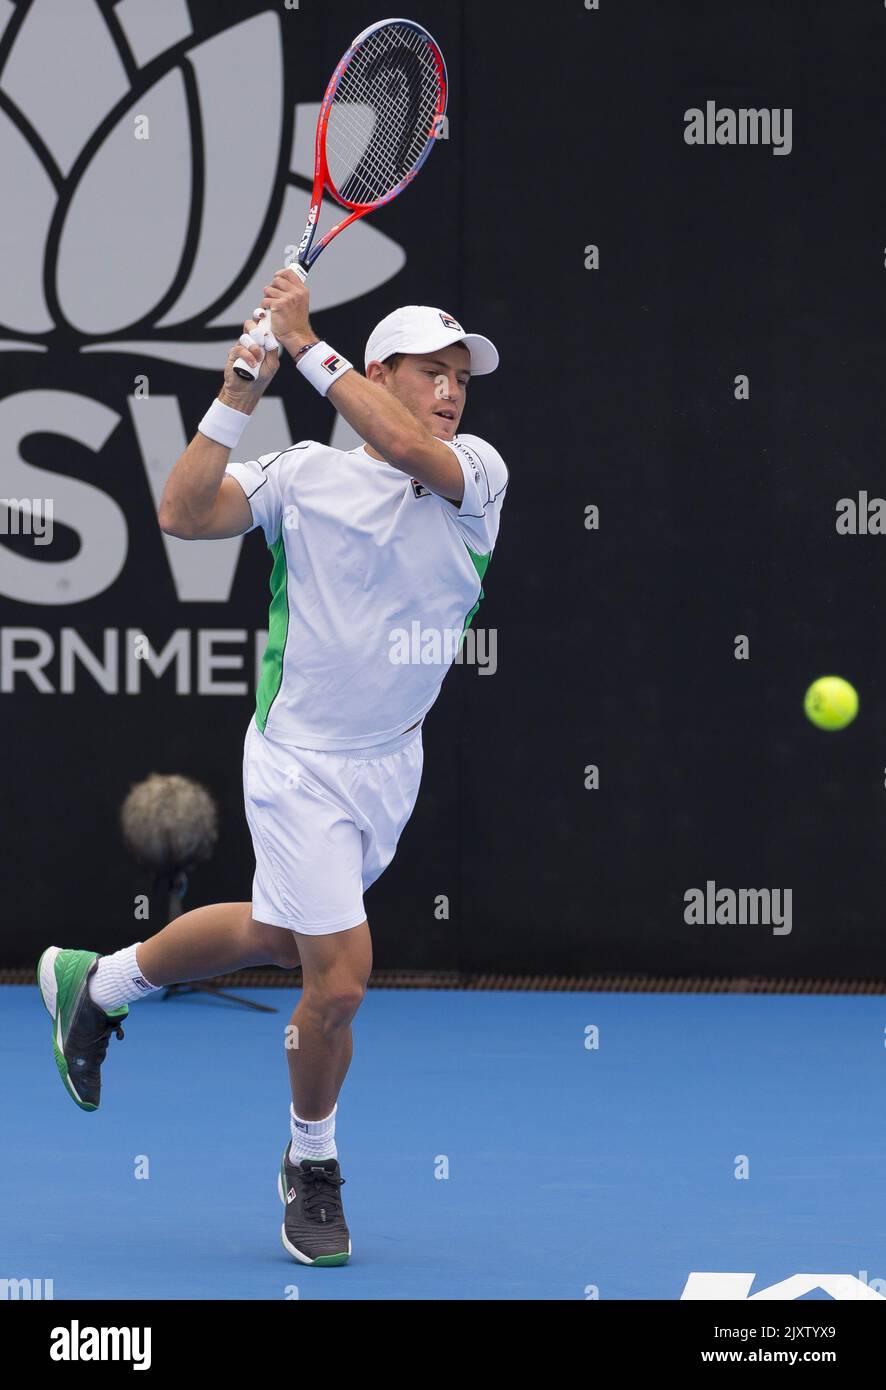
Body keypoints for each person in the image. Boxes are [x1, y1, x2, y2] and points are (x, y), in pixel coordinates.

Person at [37, 268, 508, 1267]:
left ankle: (101, 982)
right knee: (339, 980)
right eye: (432, 370)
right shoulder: (300, 476)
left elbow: (403, 446)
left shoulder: (476, 473)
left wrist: (299, 343)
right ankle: (314, 1162)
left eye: (461, 375)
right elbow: (181, 511)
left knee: (281, 936)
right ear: (381, 370)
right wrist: (236, 393)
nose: (453, 391)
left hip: (389, 768)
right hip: (295, 762)